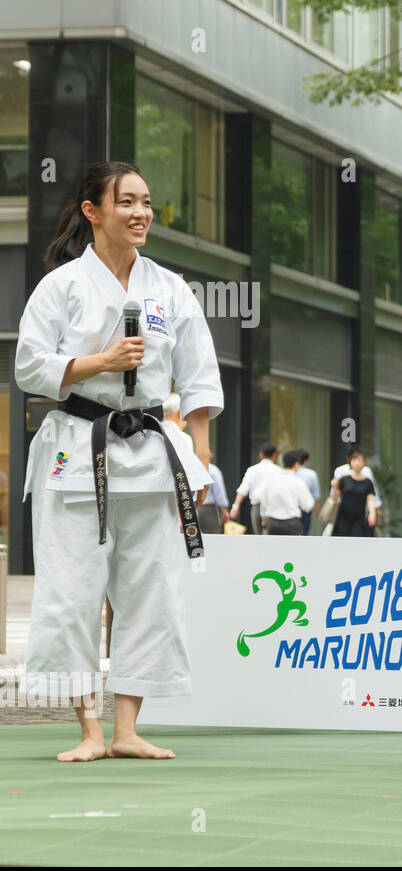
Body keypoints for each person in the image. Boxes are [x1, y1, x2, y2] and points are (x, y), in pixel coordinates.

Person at [14, 160, 222, 761]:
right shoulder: (62, 287)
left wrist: (200, 457)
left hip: (152, 451)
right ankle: (89, 731)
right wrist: (97, 363)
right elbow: (29, 366)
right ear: (93, 212)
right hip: (78, 449)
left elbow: (200, 375)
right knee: (72, 591)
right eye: (127, 202)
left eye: (147, 203)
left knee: (150, 589)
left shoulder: (169, 287)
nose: (141, 214)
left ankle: (127, 729)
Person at [259, 451, 315, 535]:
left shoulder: (271, 480)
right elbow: (308, 505)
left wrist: (264, 522)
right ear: (296, 464)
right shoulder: (298, 482)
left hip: (272, 523)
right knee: (293, 548)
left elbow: (263, 503)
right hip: (291, 524)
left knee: (272, 548)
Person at [229, 442, 278, 535]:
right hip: (273, 508)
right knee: (271, 538)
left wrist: (235, 506)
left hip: (256, 507)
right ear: (275, 455)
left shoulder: (252, 470)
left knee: (258, 537)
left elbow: (243, 489)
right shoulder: (278, 471)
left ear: (261, 454)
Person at [328, 450, 378, 537]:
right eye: (354, 460)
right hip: (342, 518)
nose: (357, 463)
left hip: (359, 518)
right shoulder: (344, 480)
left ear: (364, 463)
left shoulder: (368, 482)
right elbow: (335, 497)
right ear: (350, 462)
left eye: (359, 460)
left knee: (356, 541)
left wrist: (372, 513)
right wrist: (335, 487)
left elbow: (370, 499)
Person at [293, 449, 321, 535]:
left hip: (291, 509)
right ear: (306, 461)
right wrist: (317, 510)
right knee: (304, 534)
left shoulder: (291, 473)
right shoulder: (311, 474)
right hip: (306, 509)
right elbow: (316, 495)